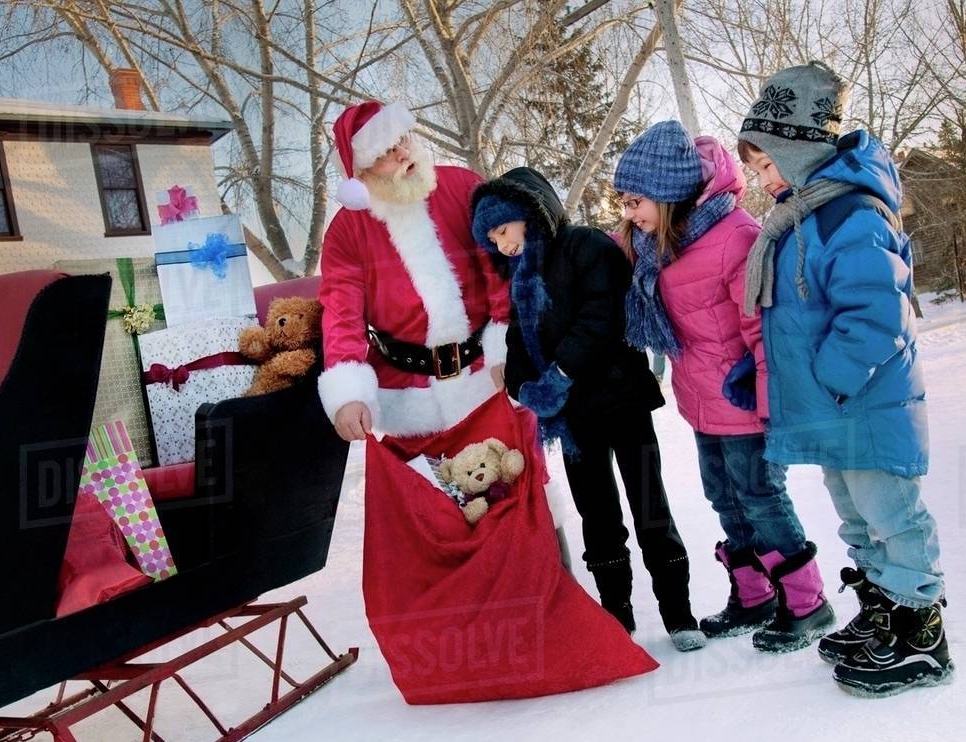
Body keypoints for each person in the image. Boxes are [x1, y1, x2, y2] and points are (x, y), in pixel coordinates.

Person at [737, 61, 952, 696]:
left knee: (893, 516)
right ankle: (883, 613)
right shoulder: (803, 217)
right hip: (835, 408)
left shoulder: (851, 214)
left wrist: (830, 380)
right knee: (858, 519)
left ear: (799, 149)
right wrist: (770, 375)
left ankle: (922, 638)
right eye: (755, 169)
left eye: (767, 164)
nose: (762, 180)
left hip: (864, 402)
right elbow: (795, 319)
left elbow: (876, 315)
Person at [612, 121, 833, 653]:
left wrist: (764, 394)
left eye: (636, 201)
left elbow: (764, 325)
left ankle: (807, 603)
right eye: (623, 202)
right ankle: (755, 596)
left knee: (760, 496)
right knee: (724, 496)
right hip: (700, 398)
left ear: (667, 193)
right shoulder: (659, 243)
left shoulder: (735, 234)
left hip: (741, 397)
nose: (629, 212)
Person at [470, 166, 706, 651]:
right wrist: (523, 385)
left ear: (530, 213)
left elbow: (602, 315)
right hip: (574, 419)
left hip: (622, 402)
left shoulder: (587, 246)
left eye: (504, 229)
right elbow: (519, 342)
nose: (502, 243)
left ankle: (679, 614)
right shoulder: (521, 278)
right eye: (491, 238)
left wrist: (559, 373)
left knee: (650, 506)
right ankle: (616, 615)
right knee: (596, 515)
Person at [317, 100, 510, 442]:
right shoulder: (346, 233)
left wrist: (508, 346)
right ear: (361, 172)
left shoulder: (464, 187)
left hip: (489, 377)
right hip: (410, 400)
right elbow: (342, 316)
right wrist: (347, 393)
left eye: (402, 140)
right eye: (385, 152)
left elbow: (501, 270)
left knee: (513, 472)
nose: (404, 153)